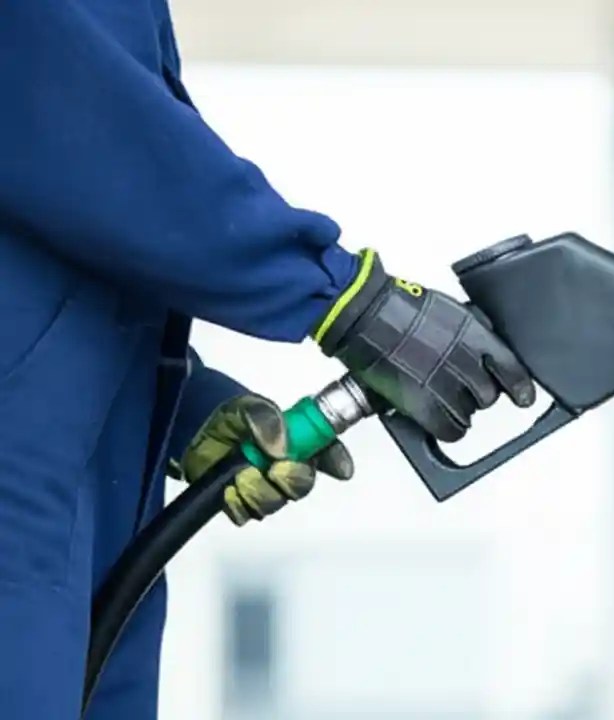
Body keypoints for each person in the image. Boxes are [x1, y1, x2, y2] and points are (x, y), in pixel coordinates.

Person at [0, 2, 537, 718]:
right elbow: (78, 121)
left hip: (69, 541)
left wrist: (182, 408)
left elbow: (60, 256)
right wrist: (346, 299)